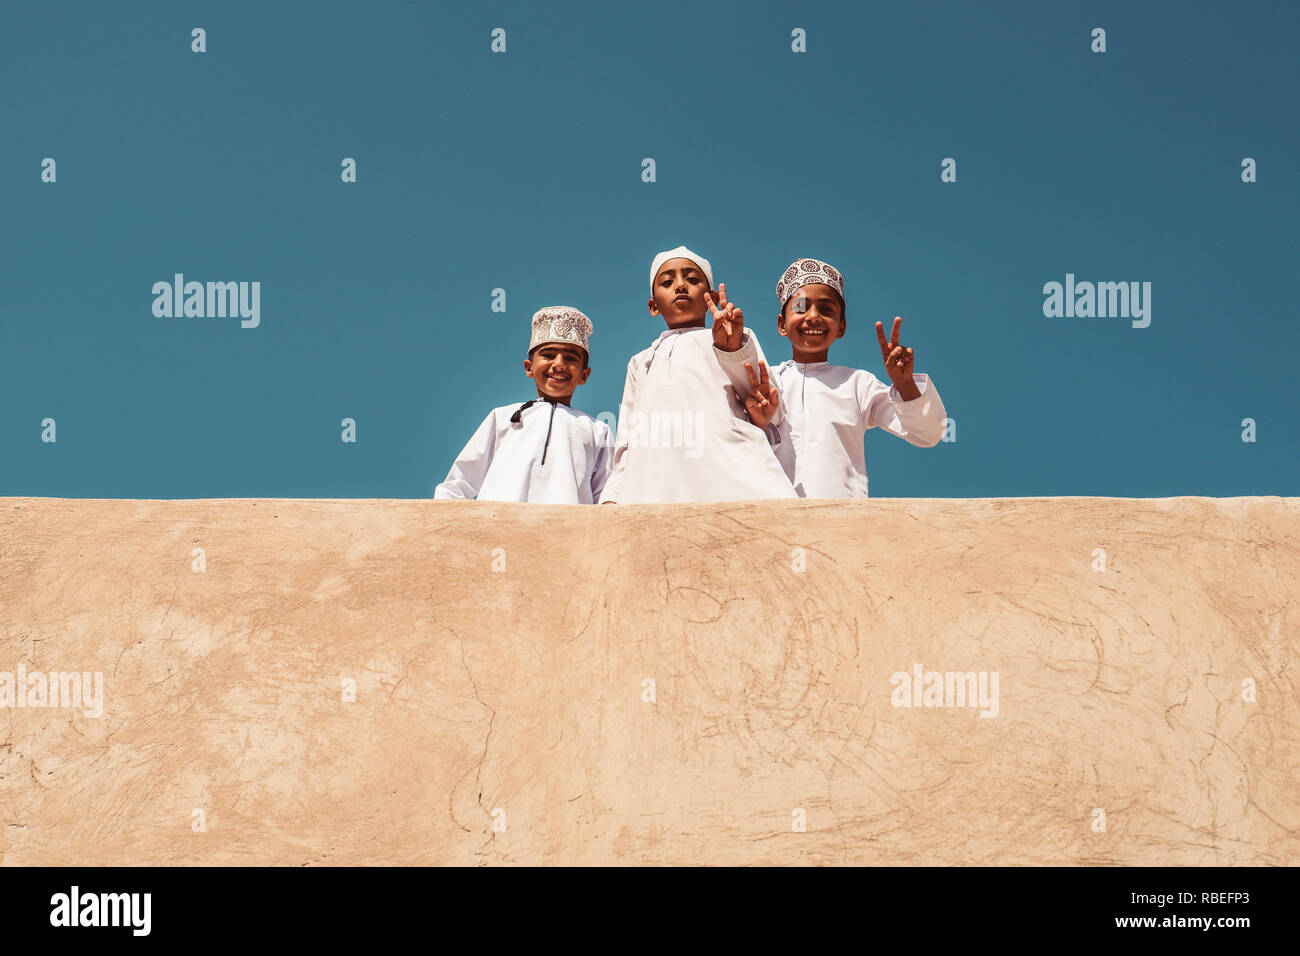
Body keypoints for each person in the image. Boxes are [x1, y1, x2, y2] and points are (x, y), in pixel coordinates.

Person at [599, 246, 796, 503]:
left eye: (692, 279)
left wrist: (731, 348)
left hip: (728, 476)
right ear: (653, 306)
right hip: (653, 484)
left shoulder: (737, 336)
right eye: (667, 282)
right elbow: (627, 439)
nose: (680, 286)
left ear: (711, 296)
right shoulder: (641, 361)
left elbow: (770, 408)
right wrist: (613, 496)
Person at [741, 258, 947, 498]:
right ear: (782, 324)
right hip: (771, 518)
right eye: (800, 308)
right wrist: (759, 423)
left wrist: (904, 384)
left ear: (841, 327)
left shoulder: (858, 384)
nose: (813, 316)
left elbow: (928, 433)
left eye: (826, 309)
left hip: (843, 523)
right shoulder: (767, 381)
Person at [434, 307, 613, 503]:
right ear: (529, 368)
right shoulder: (503, 416)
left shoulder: (597, 430)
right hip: (498, 527)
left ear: (584, 375)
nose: (559, 364)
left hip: (568, 530)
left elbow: (606, 495)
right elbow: (459, 482)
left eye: (570, 358)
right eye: (548, 355)